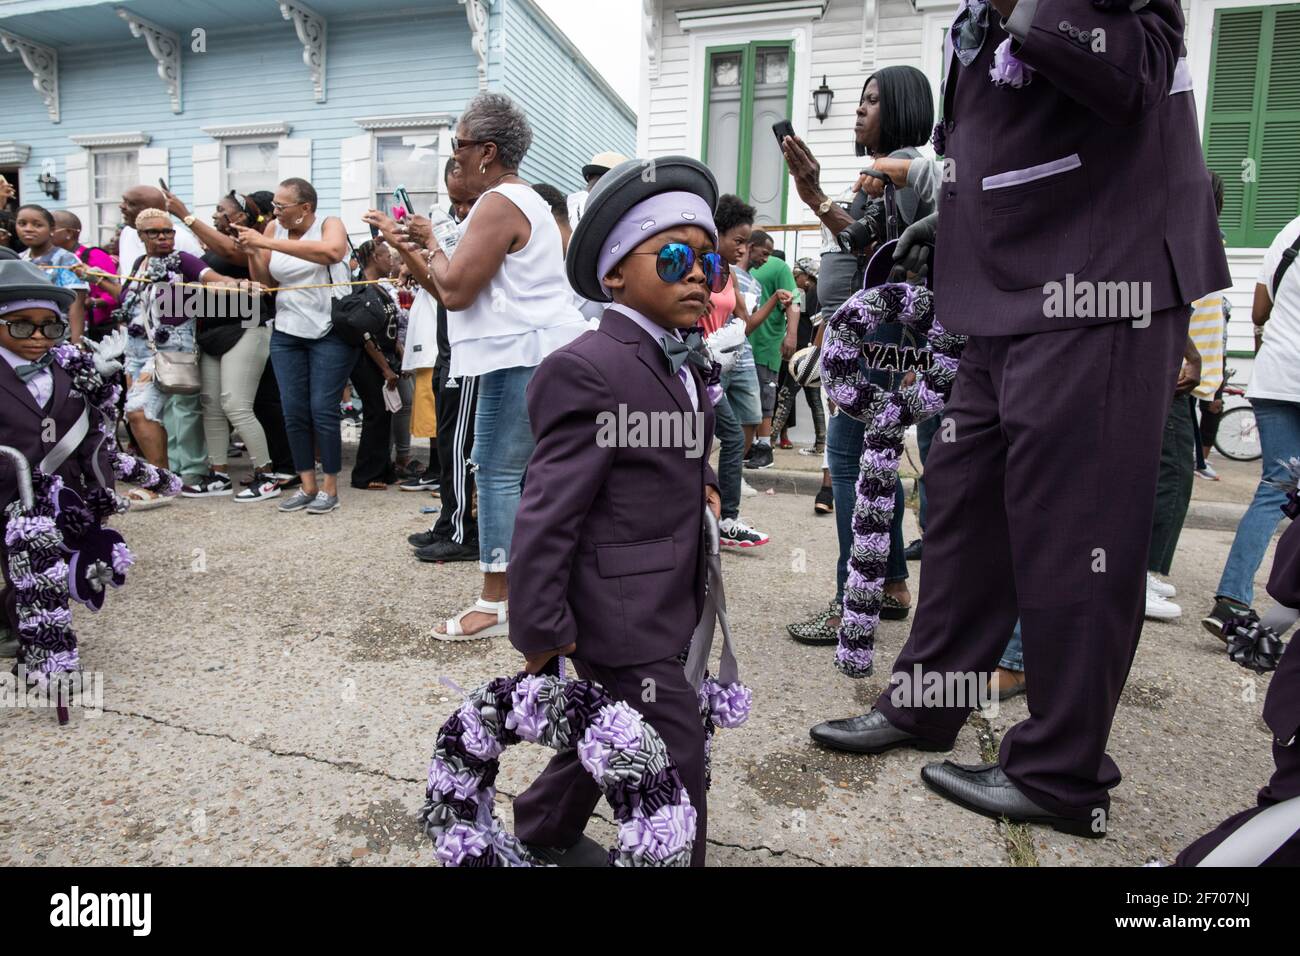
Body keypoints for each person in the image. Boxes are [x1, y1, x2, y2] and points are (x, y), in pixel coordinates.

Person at [806, 0, 1230, 839]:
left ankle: (1062, 774)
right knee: (965, 510)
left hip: (1101, 269)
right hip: (1001, 278)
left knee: (1076, 529)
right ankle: (928, 705)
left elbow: (1132, 68)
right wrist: (946, 226)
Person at [509, 155, 720, 867]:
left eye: (709, 261)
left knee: (616, 724)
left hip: (669, 597)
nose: (698, 273)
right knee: (674, 753)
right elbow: (547, 510)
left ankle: (542, 825)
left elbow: (674, 453)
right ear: (614, 275)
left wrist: (706, 484)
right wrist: (540, 628)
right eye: (675, 257)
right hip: (619, 612)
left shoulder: (681, 362)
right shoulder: (588, 367)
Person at [366, 93, 587, 636]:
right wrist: (414, 248)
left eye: (459, 145)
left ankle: (496, 603)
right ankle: (539, 589)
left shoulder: (499, 202)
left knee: (498, 472)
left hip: (521, 354)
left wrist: (417, 249)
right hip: (533, 351)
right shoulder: (521, 201)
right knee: (529, 475)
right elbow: (448, 285)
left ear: (487, 151)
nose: (454, 155)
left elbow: (456, 292)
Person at [782, 65, 936, 644]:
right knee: (874, 454)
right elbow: (860, 240)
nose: (859, 109)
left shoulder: (905, 168)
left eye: (873, 100)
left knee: (848, 456)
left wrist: (822, 195)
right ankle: (890, 582)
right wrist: (817, 194)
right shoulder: (888, 174)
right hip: (874, 332)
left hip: (885, 334)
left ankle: (857, 595)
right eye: (860, 99)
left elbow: (878, 250)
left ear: (898, 107)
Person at [93, 208, 258, 504]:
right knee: (146, 414)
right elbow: (128, 298)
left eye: (168, 231)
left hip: (169, 348)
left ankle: (165, 480)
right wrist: (98, 279)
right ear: (141, 236)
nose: (163, 237)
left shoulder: (182, 261)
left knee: (142, 410)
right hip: (135, 347)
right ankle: (166, 475)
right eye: (155, 232)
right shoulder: (140, 263)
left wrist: (236, 286)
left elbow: (214, 279)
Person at [1203, 209, 1300, 635]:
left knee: (1274, 488)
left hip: (1275, 376)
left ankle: (1231, 600)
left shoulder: (1290, 230)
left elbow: (1259, 309)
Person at [235, 177, 354, 514]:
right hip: (288, 331)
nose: (275, 212)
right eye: (274, 206)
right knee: (294, 410)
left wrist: (267, 244)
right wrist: (254, 252)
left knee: (322, 409)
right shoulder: (272, 230)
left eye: (281, 206)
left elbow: (332, 252)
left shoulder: (329, 224)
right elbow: (267, 282)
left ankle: (329, 488)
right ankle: (306, 485)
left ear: (305, 208)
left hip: (330, 328)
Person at [162, 189, 281, 503]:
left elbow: (232, 254)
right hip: (212, 332)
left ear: (239, 216)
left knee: (235, 404)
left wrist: (185, 215)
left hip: (245, 328)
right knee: (211, 406)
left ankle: (266, 475)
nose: (214, 214)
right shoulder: (212, 246)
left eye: (219, 209)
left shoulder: (249, 241)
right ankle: (217, 474)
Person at [401, 159, 482, 563]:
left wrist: (431, 243)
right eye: (455, 203)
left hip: (470, 353)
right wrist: (407, 250)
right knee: (447, 442)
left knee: (459, 446)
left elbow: (454, 289)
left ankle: (464, 530)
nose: (461, 211)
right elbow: (437, 289)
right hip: (447, 346)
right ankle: (450, 521)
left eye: (468, 201)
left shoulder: (480, 233)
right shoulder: (452, 229)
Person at [706, 194, 790, 548]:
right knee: (690, 440)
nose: (742, 248)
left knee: (726, 435)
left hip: (712, 372)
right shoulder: (701, 265)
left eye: (745, 241)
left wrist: (774, 301)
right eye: (737, 241)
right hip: (689, 368)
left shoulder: (728, 275)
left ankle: (726, 519)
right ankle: (711, 517)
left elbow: (744, 323)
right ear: (717, 234)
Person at [347, 239, 403, 490]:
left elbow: (388, 329)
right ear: (373, 258)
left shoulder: (379, 289)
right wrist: (385, 368)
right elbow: (366, 336)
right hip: (369, 362)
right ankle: (365, 475)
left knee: (385, 416)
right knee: (375, 414)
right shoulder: (362, 291)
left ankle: (384, 469)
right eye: (385, 255)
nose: (390, 259)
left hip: (387, 359)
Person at [741, 230, 799, 471]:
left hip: (766, 343)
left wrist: (791, 335)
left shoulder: (777, 266)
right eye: (762, 253)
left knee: (764, 394)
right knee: (744, 399)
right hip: (740, 346)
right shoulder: (736, 269)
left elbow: (793, 301)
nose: (764, 258)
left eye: (766, 254)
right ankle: (749, 445)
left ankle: (765, 446)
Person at [15, 204, 88, 343]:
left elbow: (76, 306)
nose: (28, 229)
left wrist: (77, 344)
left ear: (52, 229)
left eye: (37, 225)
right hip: (24, 336)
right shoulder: (19, 259)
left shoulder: (66, 259)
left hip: (58, 336)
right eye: (22, 224)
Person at [51, 211, 118, 340]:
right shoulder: (51, 259)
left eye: (52, 229)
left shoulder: (94, 255)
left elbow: (115, 293)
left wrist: (91, 302)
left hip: (94, 332)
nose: (47, 233)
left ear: (69, 233)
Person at [118, 185, 204, 277]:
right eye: (124, 201)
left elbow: (203, 280)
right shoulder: (127, 232)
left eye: (131, 204)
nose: (121, 206)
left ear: (151, 210)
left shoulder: (181, 238)